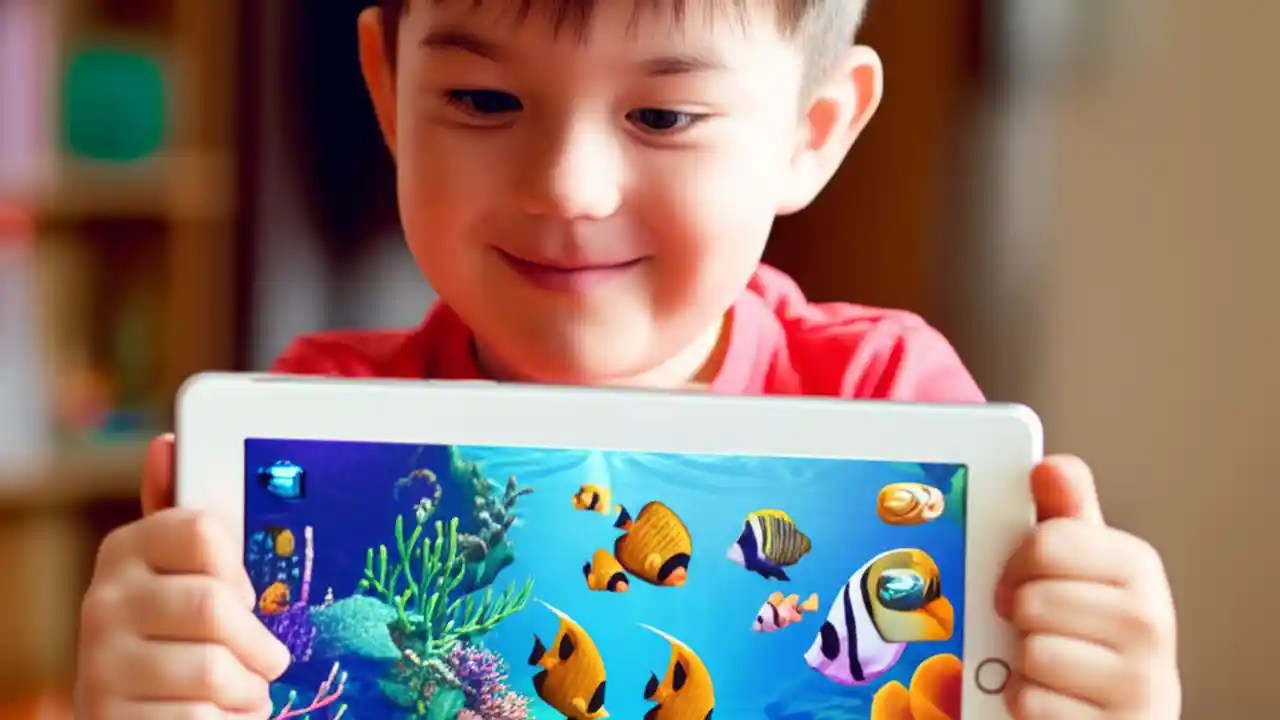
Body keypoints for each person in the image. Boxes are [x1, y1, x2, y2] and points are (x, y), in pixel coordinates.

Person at [73, 1, 1181, 718]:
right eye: (482, 99)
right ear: (386, 91)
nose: (567, 186)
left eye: (660, 113)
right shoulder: (321, 416)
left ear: (813, 130)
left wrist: (1098, 694)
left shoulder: (888, 397)